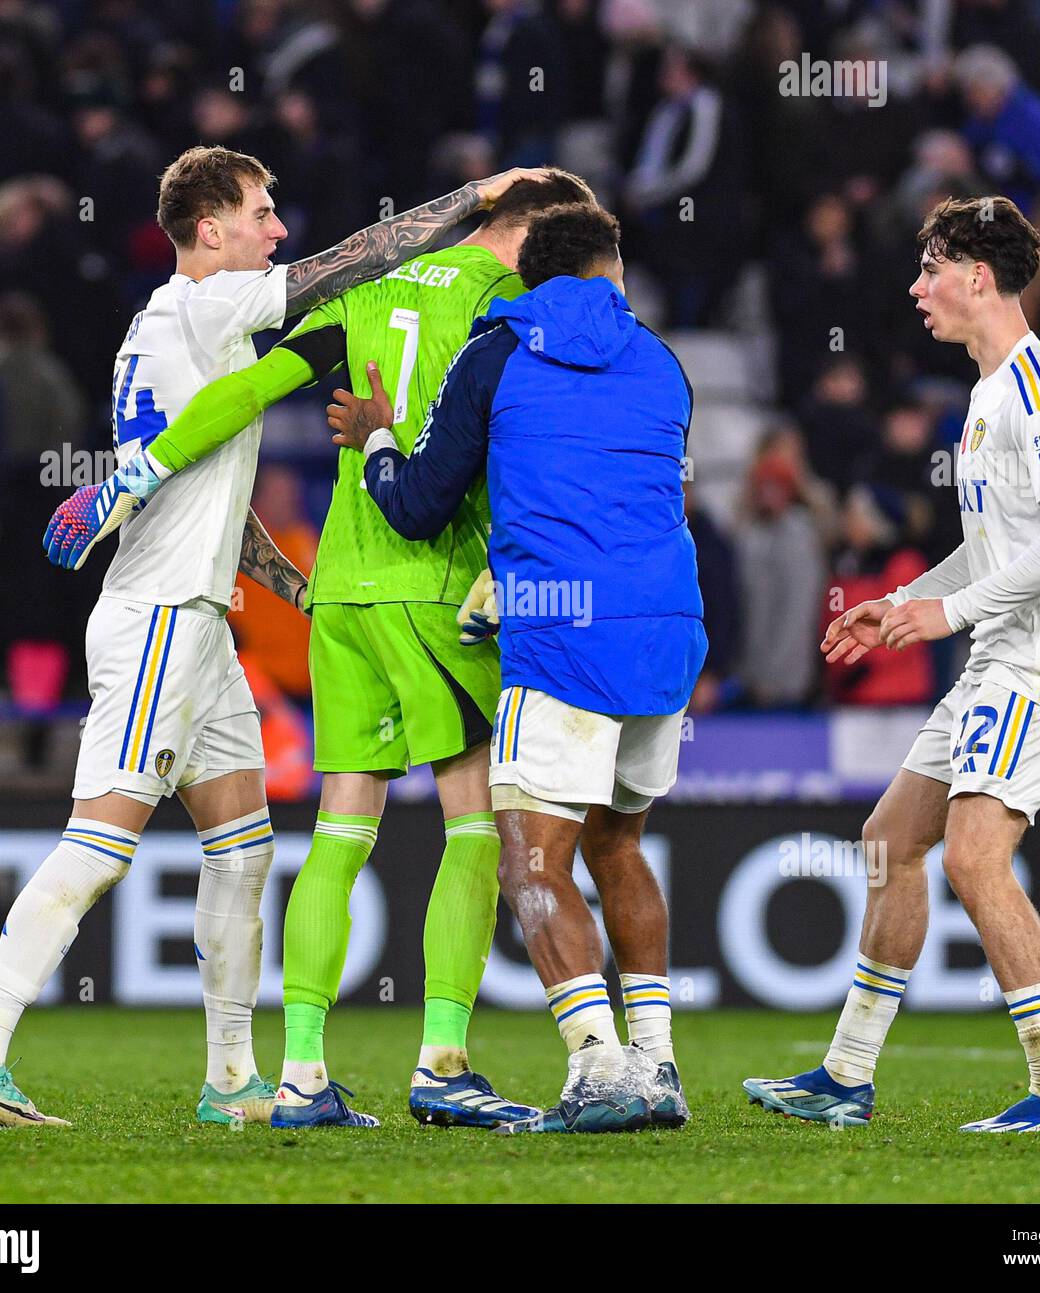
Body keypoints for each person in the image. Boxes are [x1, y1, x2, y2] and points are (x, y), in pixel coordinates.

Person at [0, 145, 541, 1129]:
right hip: (160, 615)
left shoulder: (163, 328)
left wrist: (298, 591)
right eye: (261, 213)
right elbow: (350, 261)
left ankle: (231, 1079)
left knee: (244, 847)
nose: (278, 231)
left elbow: (212, 497)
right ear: (208, 229)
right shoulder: (208, 304)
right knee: (100, 842)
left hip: (201, 618)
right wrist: (480, 196)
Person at [328, 203, 706, 1134]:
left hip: (561, 640)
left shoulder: (496, 350)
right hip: (665, 631)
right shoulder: (663, 361)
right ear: (614, 269)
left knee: (531, 859)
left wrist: (377, 438)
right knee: (619, 846)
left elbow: (419, 505)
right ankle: (657, 1065)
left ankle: (598, 1068)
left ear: (526, 277)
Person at [744, 196, 1040, 1133]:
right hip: (998, 657)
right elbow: (993, 549)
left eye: (932, 268)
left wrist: (947, 612)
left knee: (976, 859)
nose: (916, 288)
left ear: (977, 277)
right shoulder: (986, 394)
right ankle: (846, 1075)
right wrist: (907, 602)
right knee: (888, 841)